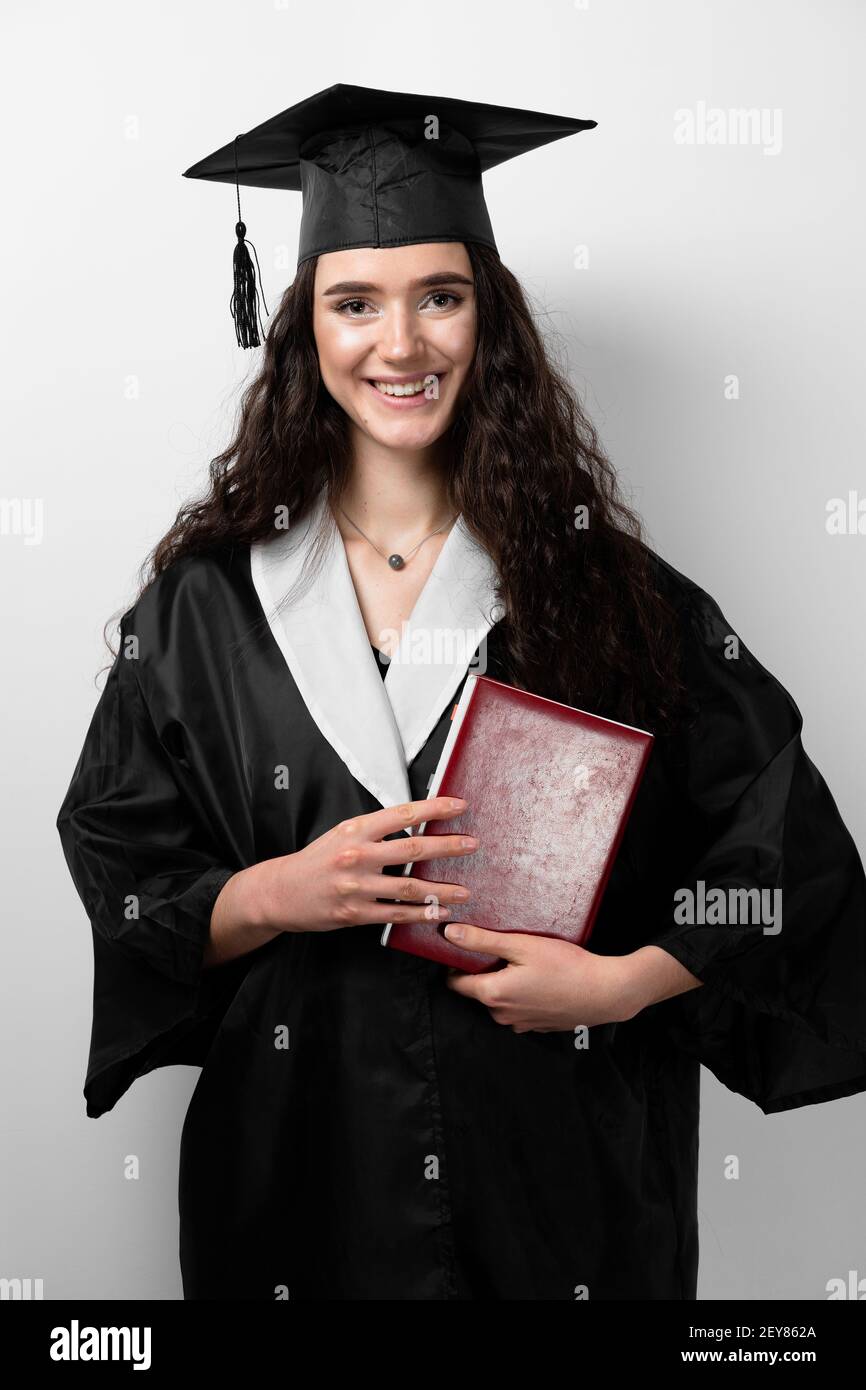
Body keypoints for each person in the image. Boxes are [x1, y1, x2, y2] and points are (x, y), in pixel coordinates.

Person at [57, 84, 866, 1301]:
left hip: (559, 1185)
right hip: (296, 1182)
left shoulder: (608, 592)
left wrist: (623, 980)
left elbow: (780, 855)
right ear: (303, 329)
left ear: (489, 321)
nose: (402, 344)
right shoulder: (203, 611)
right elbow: (126, 888)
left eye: (441, 296)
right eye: (354, 303)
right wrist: (279, 892)